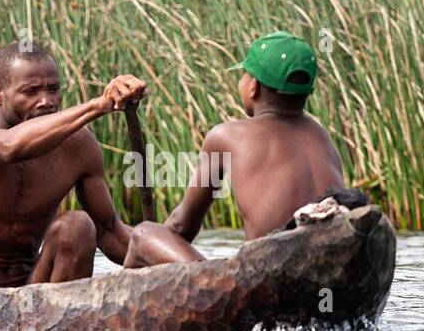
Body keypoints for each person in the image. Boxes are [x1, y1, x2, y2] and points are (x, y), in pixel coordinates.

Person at [124, 31, 349, 268]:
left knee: (144, 235)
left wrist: (153, 248)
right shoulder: (321, 136)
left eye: (244, 75)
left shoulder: (226, 136)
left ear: (253, 87)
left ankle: (119, 302)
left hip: (270, 273)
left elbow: (183, 226)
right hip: (330, 266)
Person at [0, 40, 146, 287]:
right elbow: (8, 148)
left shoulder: (78, 145)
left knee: (77, 226)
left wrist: (163, 258)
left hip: (34, 292)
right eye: (31, 92)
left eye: (54, 89)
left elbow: (109, 232)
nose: (47, 101)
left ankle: (58, 323)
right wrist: (99, 106)